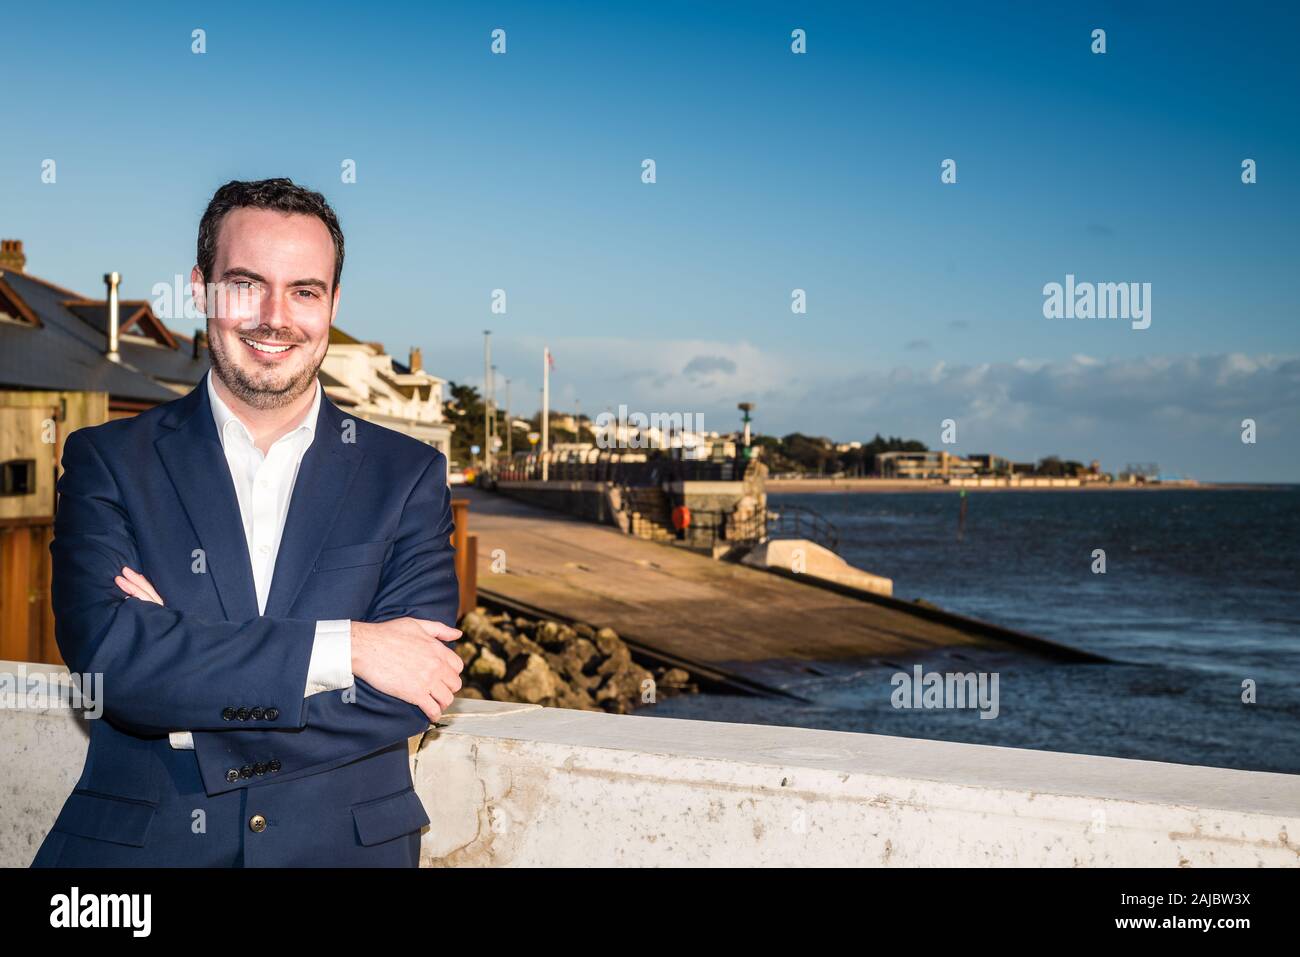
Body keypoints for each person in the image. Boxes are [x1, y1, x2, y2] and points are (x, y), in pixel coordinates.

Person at [31, 178, 463, 867]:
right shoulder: (107, 460)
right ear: (200, 290)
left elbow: (411, 693)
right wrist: (345, 647)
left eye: (303, 290)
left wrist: (188, 683)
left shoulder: (407, 475)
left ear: (332, 304)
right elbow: (113, 667)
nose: (274, 316)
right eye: (244, 284)